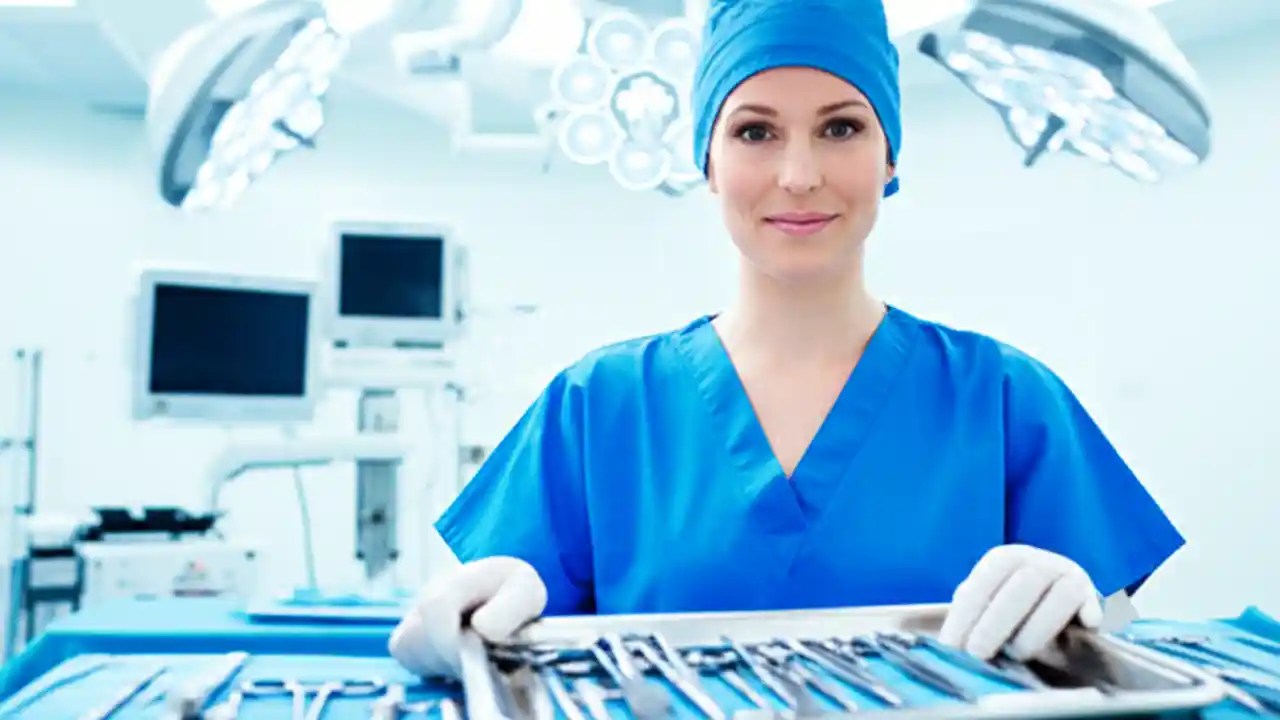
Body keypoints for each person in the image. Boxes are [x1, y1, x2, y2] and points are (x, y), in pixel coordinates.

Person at [389, 0, 1184, 678]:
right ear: (707, 160)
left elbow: (1116, 661)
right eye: (755, 132)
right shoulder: (599, 406)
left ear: (890, 156)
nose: (799, 174)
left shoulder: (1005, 399)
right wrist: (445, 629)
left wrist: (1087, 615)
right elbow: (490, 642)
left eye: (840, 127)